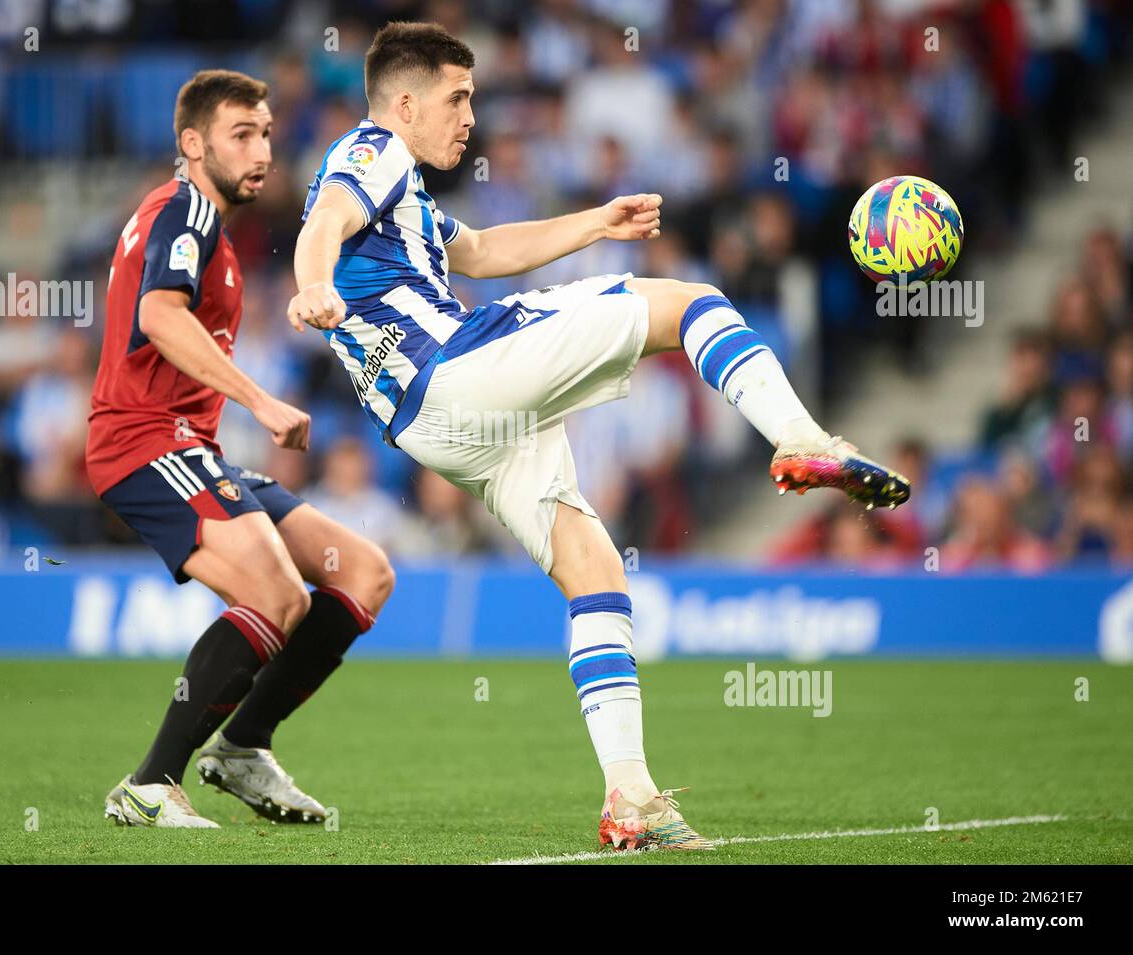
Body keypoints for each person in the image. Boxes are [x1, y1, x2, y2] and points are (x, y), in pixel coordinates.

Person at [290, 22, 910, 851]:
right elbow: (322, 224)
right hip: (456, 367)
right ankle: (801, 436)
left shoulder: (403, 200)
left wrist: (594, 222)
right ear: (404, 102)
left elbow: (476, 249)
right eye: (457, 97)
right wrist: (311, 288)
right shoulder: (374, 151)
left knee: (594, 569)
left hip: (434, 425)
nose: (470, 115)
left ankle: (632, 798)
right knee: (690, 303)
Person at [90, 70, 394, 829]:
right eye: (241, 135)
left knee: (362, 572)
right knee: (278, 595)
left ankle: (242, 746)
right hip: (141, 440)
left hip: (196, 448)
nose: (262, 150)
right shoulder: (186, 207)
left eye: (264, 133)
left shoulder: (208, 228)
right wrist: (259, 399)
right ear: (192, 146)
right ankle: (150, 781)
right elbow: (159, 316)